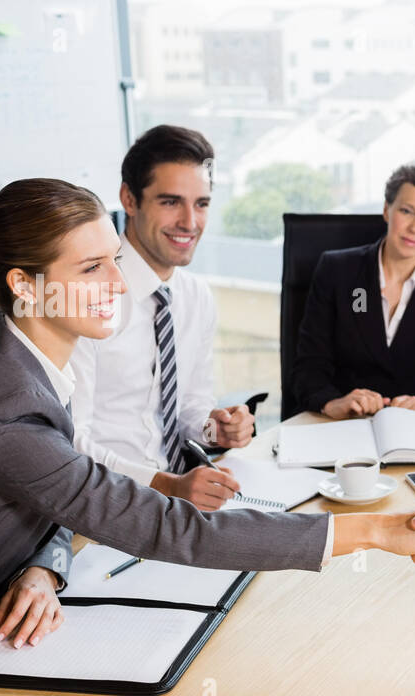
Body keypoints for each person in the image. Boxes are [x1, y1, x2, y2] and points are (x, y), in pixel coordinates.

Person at [0, 178, 415, 652]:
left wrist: (45, 567)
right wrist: (377, 531)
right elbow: (172, 528)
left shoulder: (30, 365)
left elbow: (54, 495)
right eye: (91, 268)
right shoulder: (7, 407)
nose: (120, 285)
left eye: (112, 261)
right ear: (26, 284)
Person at [69, 125, 252, 512]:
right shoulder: (85, 295)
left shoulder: (196, 297)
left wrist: (214, 428)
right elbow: (69, 443)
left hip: (177, 498)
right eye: (171, 202)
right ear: (129, 200)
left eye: (201, 204)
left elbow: (190, 405)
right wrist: (167, 485)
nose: (190, 222)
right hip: (102, 504)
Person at [294, 159, 415, 420]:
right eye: (406, 211)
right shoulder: (337, 270)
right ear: (387, 209)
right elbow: (309, 367)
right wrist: (332, 402)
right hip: (344, 426)